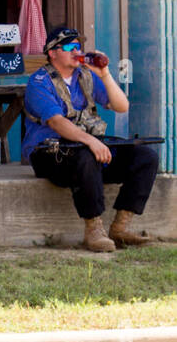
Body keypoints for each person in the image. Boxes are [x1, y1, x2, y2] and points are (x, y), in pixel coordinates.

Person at [23, 26, 157, 252]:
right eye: (69, 46)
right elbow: (57, 122)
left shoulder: (86, 76)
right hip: (49, 155)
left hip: (86, 151)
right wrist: (92, 141)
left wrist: (104, 74)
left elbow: (121, 106)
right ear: (52, 52)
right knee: (86, 155)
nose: (77, 50)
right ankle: (93, 229)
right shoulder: (39, 81)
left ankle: (121, 227)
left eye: (78, 46)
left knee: (146, 156)